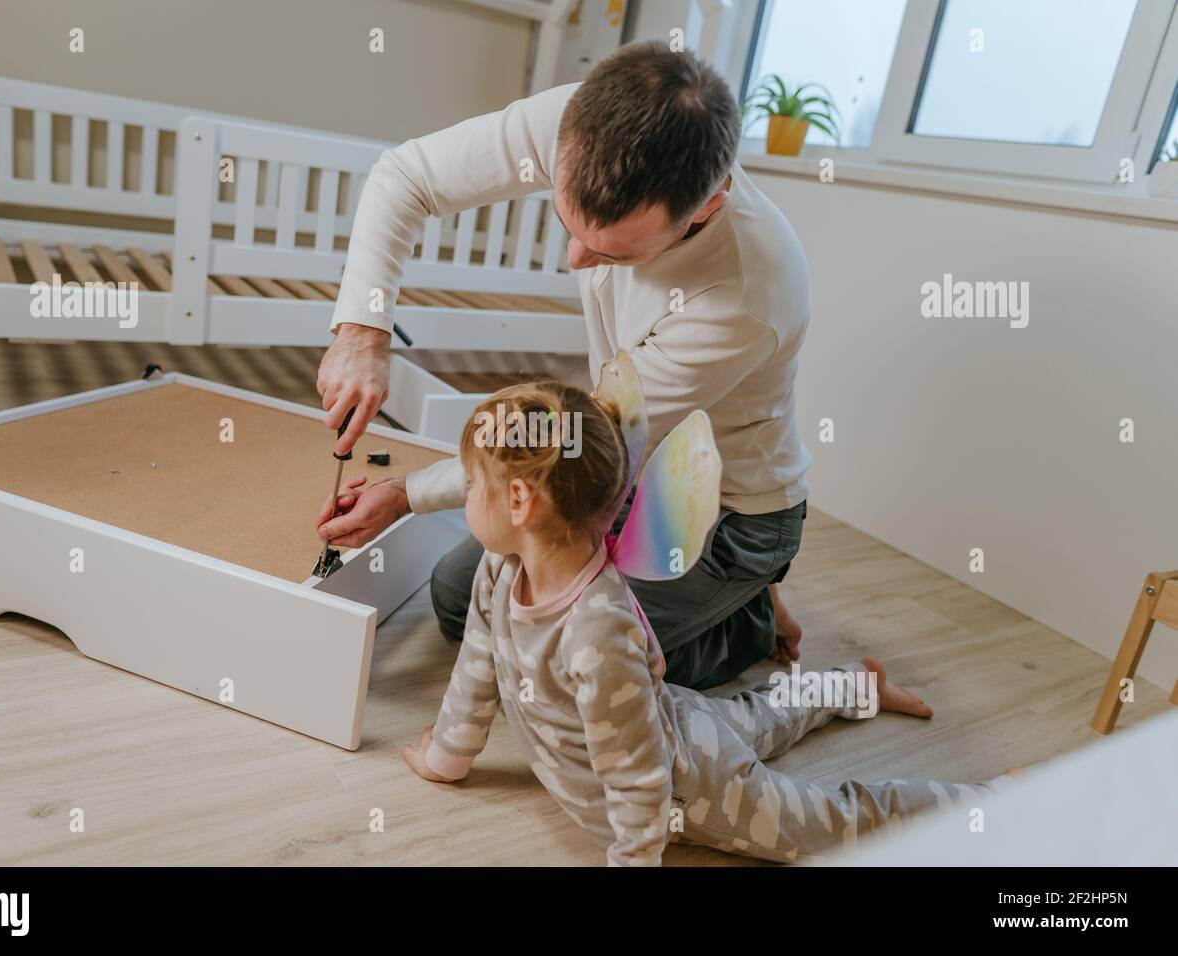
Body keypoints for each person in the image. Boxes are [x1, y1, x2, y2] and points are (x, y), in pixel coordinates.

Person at [317, 41, 811, 689]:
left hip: (724, 512)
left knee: (558, 671)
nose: (575, 260)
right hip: (626, 469)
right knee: (459, 601)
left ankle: (743, 615)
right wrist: (362, 329)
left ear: (705, 210)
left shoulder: (747, 293)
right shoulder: (577, 119)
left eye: (612, 251)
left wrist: (406, 492)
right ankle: (709, 605)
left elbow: (584, 438)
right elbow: (404, 175)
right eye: (566, 221)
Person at [395, 381, 1003, 865]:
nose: (468, 493)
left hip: (693, 790)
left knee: (833, 825)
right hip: (679, 717)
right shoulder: (499, 569)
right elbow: (478, 663)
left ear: (521, 502)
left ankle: (992, 802)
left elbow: (639, 780)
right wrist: (449, 753)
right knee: (759, 713)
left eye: (473, 484)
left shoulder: (595, 633)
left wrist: (632, 861)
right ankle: (855, 684)